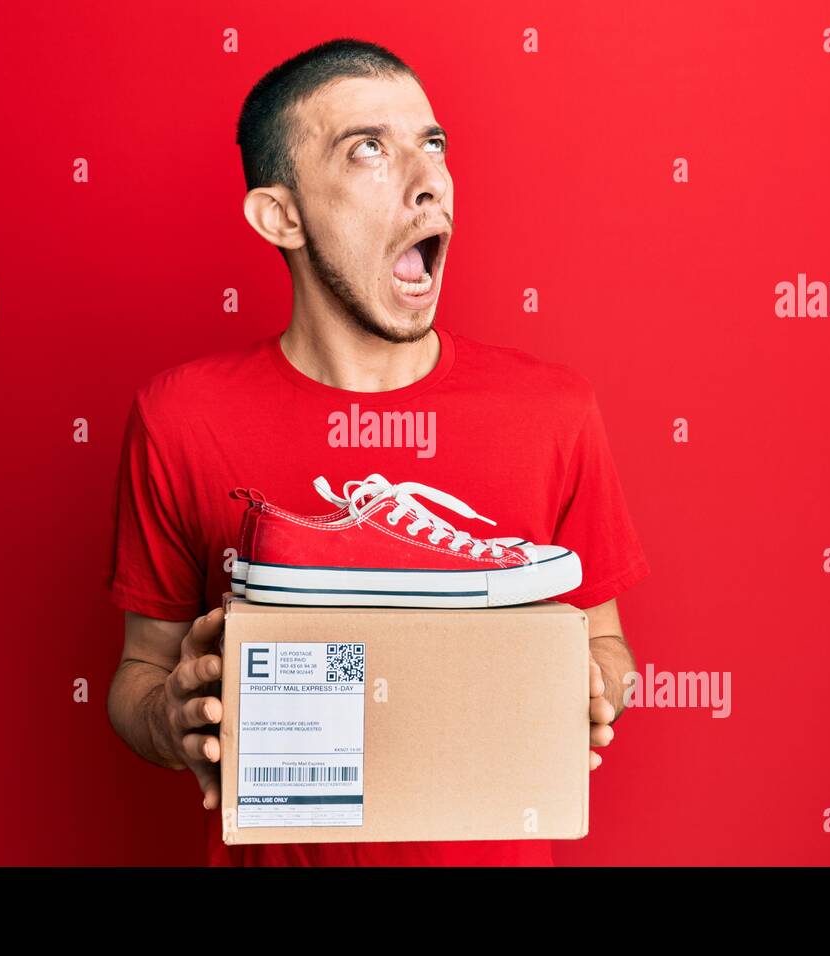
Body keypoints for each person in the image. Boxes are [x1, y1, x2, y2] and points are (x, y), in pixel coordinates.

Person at [104, 38, 651, 866]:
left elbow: (606, 645)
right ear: (280, 215)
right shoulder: (182, 416)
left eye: (432, 144)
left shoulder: (553, 409)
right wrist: (170, 717)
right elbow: (138, 672)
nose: (428, 180)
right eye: (369, 149)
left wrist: (591, 685)